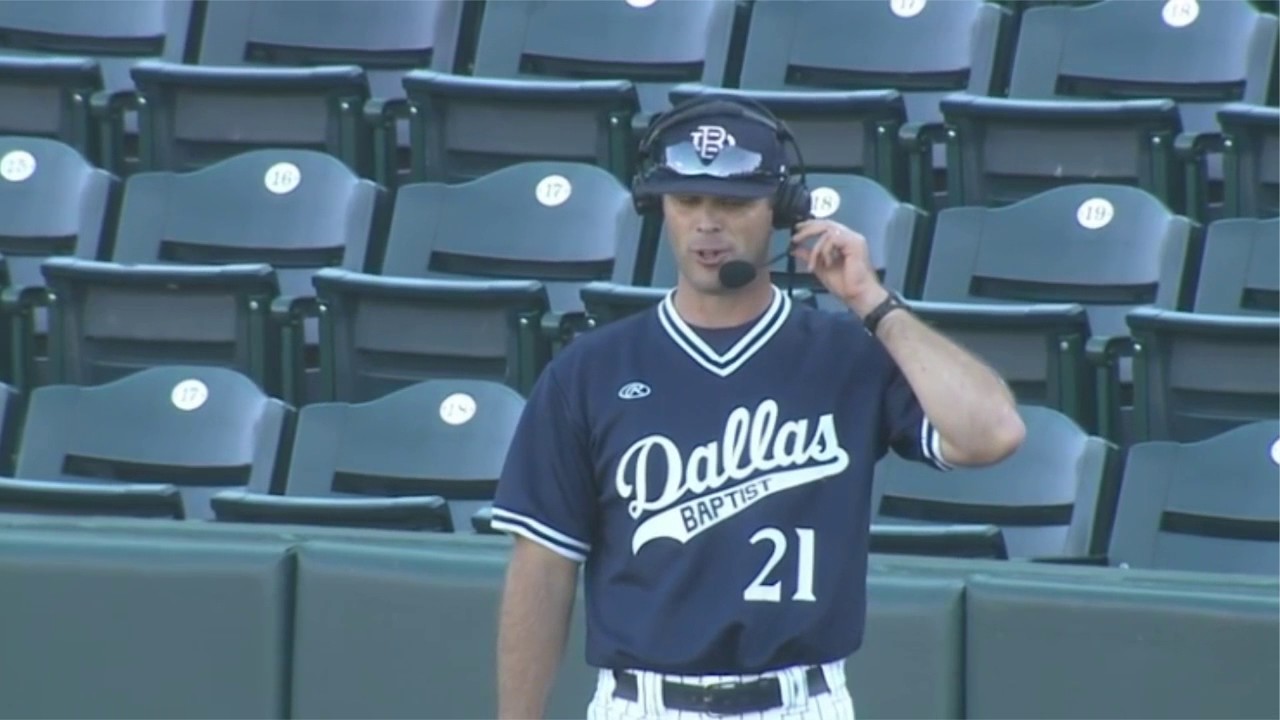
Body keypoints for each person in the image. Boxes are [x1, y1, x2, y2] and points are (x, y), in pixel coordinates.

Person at [489, 96, 1026, 720]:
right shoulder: (591, 370)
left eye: (733, 203)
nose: (706, 225)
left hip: (801, 701)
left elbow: (993, 434)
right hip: (643, 703)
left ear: (781, 212)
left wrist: (872, 303)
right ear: (658, 206)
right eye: (687, 201)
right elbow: (543, 568)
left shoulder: (847, 355)